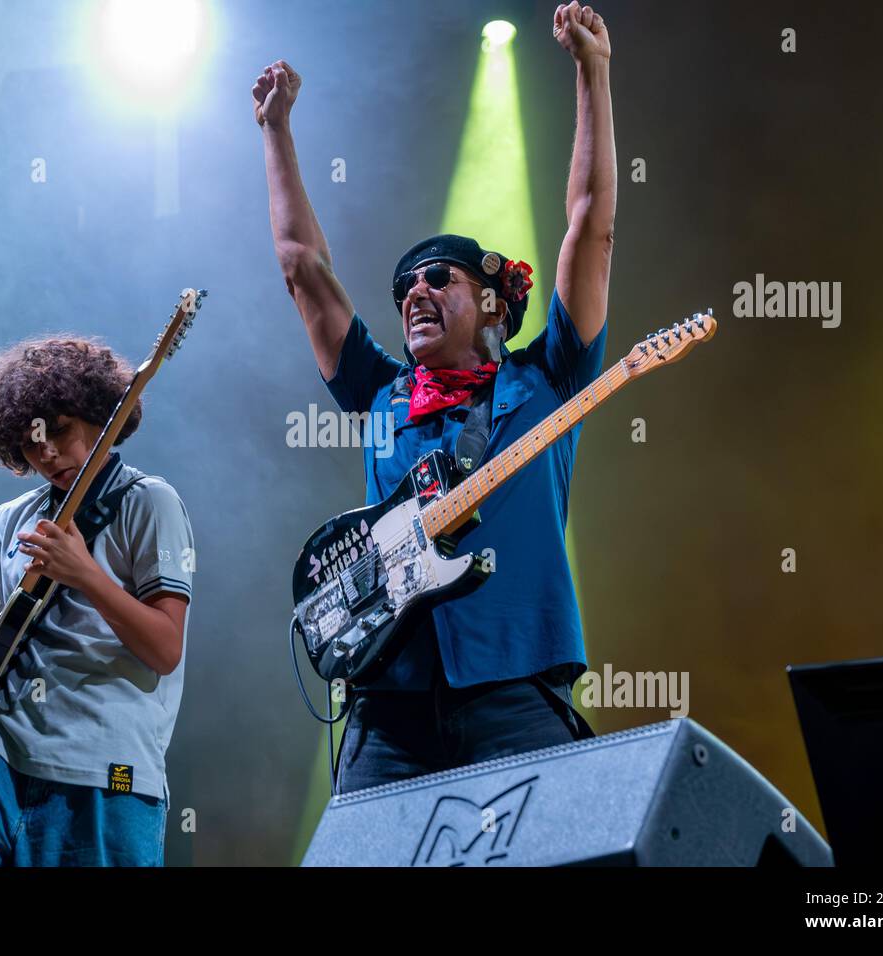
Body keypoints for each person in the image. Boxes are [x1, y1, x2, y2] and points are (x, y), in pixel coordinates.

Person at [255, 1, 616, 792]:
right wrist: (276, 132)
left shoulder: (546, 378)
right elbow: (301, 267)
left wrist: (593, 71)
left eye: (437, 279)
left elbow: (589, 224)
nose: (414, 292)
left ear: (493, 301)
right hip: (388, 708)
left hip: (514, 692)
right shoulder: (382, 392)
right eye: (402, 287)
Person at [0, 335, 194, 866]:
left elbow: (165, 647)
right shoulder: (10, 519)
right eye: (30, 442)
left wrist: (85, 574)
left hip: (104, 761)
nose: (47, 453)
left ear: (98, 414)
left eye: (58, 431)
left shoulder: (151, 502)